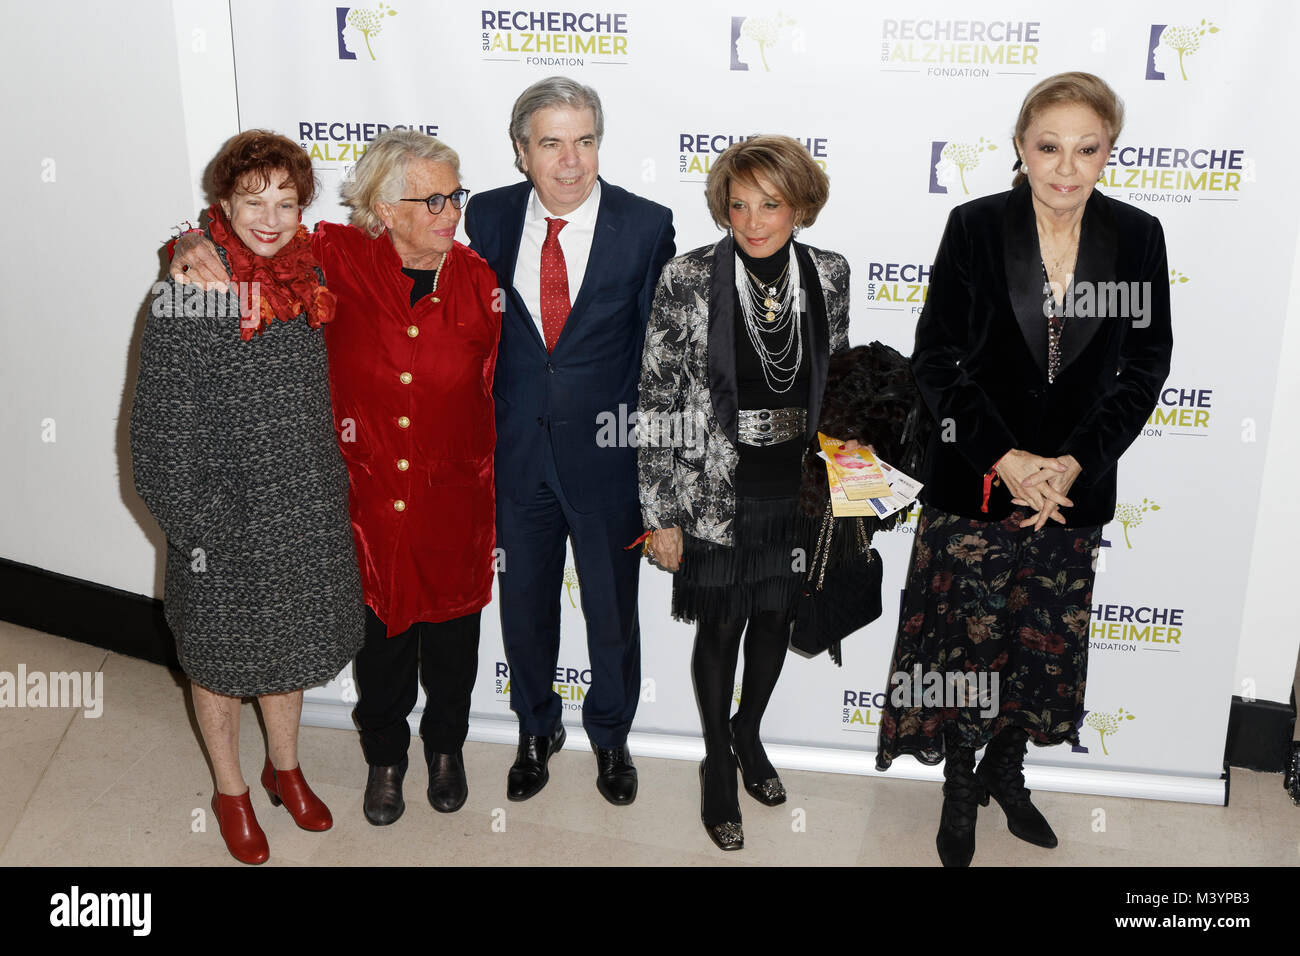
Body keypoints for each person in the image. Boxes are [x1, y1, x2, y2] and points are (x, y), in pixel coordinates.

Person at [875, 72, 1173, 866]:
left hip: (1074, 488)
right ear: (1021, 147)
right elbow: (936, 359)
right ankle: (961, 784)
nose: (1067, 167)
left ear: (1110, 151)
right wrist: (1006, 460)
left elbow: (1143, 366)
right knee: (968, 643)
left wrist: (1071, 466)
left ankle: (1008, 770)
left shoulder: (1137, 237)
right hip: (976, 477)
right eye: (1050, 147)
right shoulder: (974, 228)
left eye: (1088, 148)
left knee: (1040, 642)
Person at [169, 130, 501, 824]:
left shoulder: (480, 283)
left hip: (454, 507)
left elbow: (501, 394)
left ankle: (447, 749)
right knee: (381, 650)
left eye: (455, 194)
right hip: (367, 506)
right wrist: (188, 242)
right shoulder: (336, 260)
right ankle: (385, 758)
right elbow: (252, 230)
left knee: (453, 649)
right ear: (385, 206)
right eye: (433, 198)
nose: (451, 211)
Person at [131, 130, 364, 864]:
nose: (270, 217)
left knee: (289, 652)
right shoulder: (186, 291)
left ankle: (284, 768)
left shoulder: (310, 276)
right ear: (222, 204)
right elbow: (157, 440)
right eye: (252, 200)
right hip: (221, 523)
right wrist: (197, 531)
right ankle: (231, 790)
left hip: (302, 508)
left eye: (286, 201)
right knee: (221, 662)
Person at [464, 77, 675, 806]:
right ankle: (535, 728)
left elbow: (660, 363)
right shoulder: (484, 217)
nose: (571, 161)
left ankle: (611, 738)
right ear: (522, 151)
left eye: (585, 140)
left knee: (613, 612)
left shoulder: (646, 226)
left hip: (608, 460)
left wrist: (661, 482)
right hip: (517, 454)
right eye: (551, 142)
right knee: (523, 605)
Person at [637, 135, 849, 850]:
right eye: (739, 205)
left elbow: (837, 385)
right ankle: (719, 765)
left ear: (800, 206)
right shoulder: (689, 276)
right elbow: (659, 399)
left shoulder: (829, 273)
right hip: (715, 490)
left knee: (775, 621)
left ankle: (747, 733)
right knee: (722, 624)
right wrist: (660, 514)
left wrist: (853, 484)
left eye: (772, 204)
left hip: (795, 486)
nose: (754, 221)